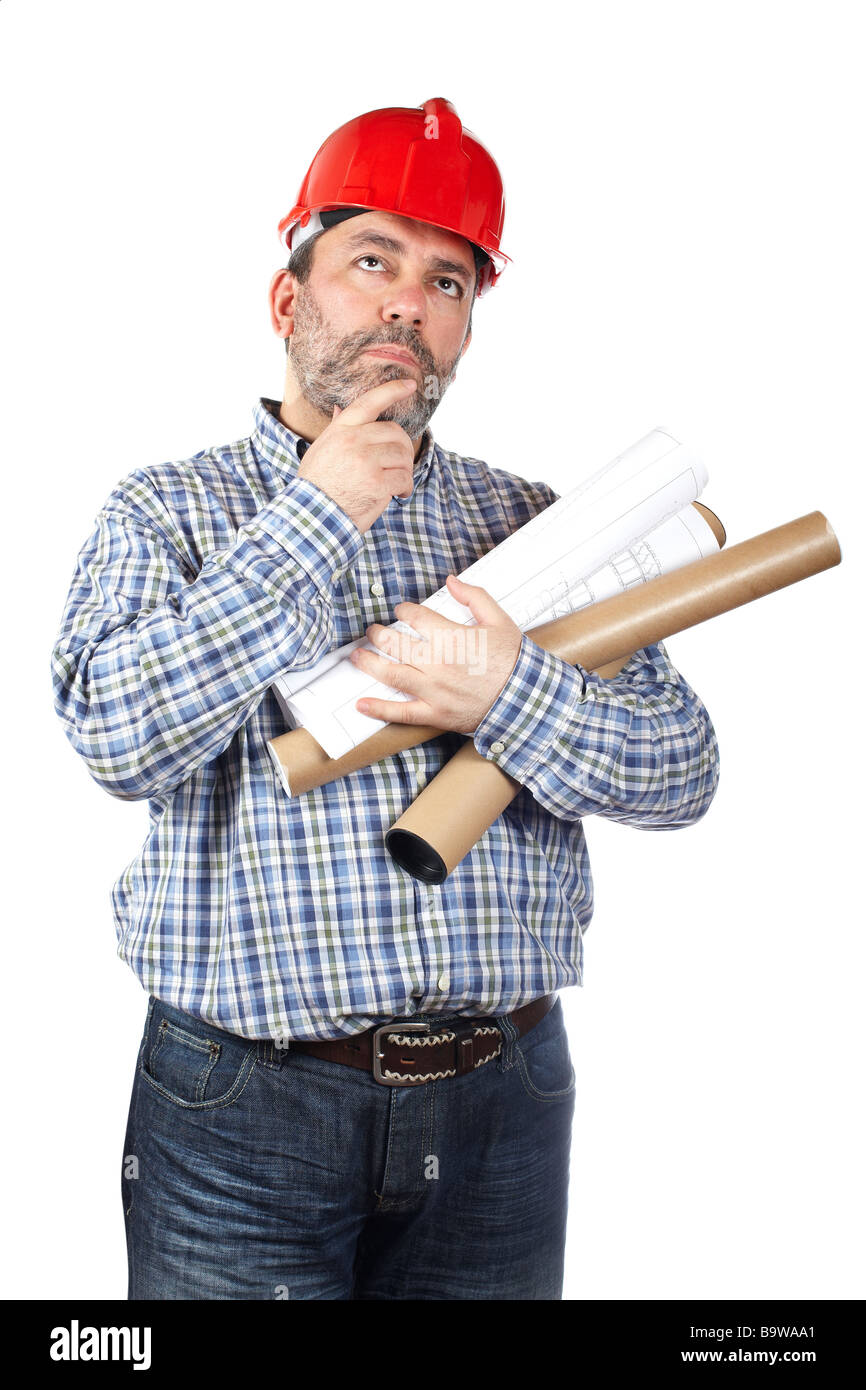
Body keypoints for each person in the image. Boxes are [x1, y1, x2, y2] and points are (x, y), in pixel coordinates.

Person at [50, 97, 720, 1301]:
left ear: (463, 329)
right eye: (372, 262)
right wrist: (314, 520)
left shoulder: (531, 523)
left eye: (447, 280)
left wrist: (507, 688)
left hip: (501, 1099)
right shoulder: (170, 511)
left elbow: (682, 770)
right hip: (245, 1105)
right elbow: (115, 736)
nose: (408, 302)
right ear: (288, 299)